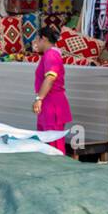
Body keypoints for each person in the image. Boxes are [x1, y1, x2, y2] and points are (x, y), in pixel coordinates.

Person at [32, 26, 73, 154]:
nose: (36, 43)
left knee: (53, 146)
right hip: (50, 104)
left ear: (43, 39)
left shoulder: (51, 55)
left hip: (52, 106)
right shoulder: (50, 55)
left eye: (37, 40)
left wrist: (39, 99)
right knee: (47, 144)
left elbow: (50, 78)